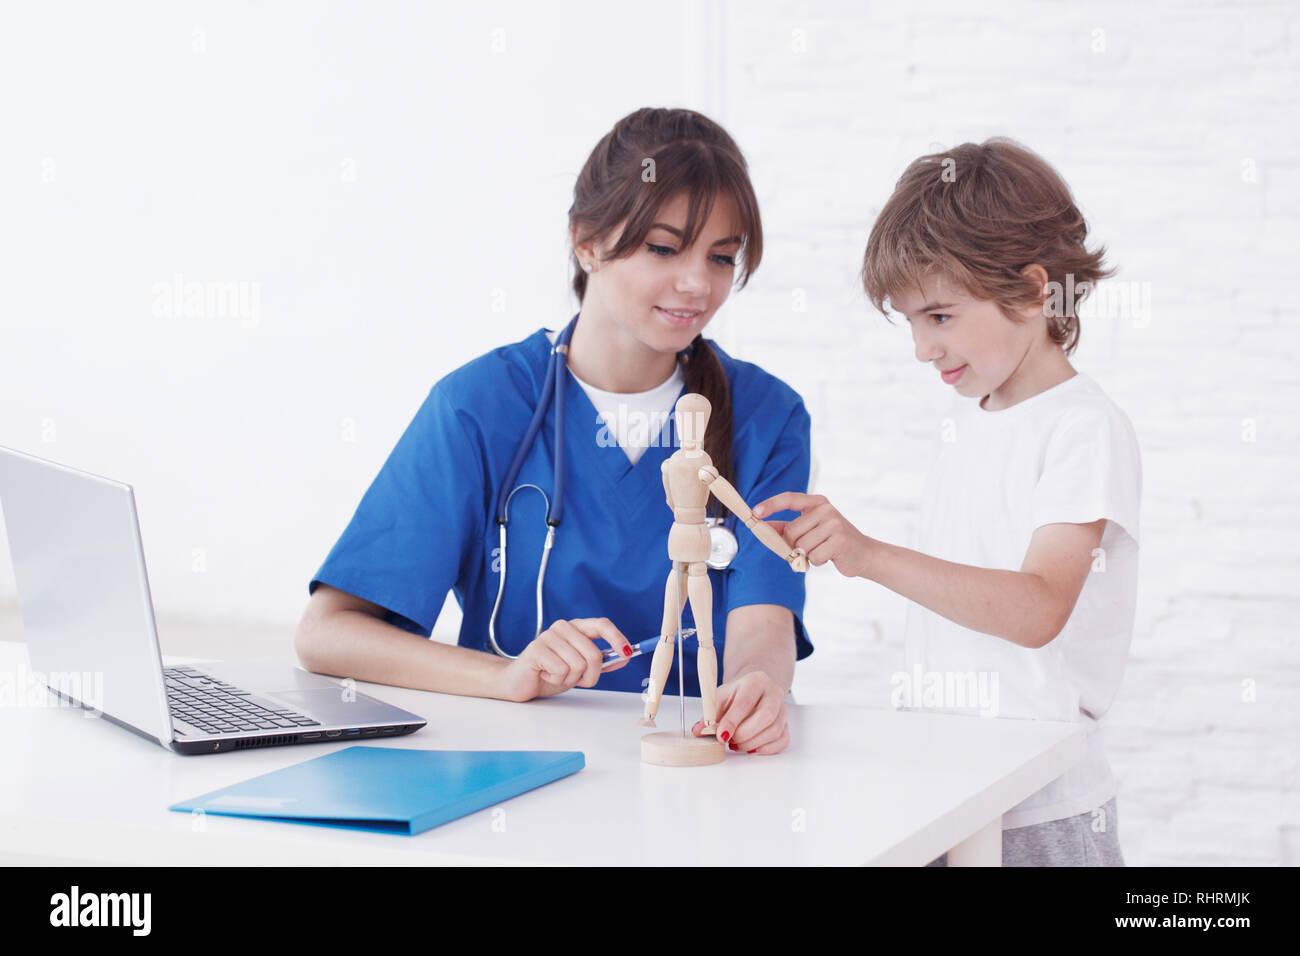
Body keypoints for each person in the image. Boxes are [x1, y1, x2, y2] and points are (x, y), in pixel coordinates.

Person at [296, 107, 814, 756]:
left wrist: (756, 685)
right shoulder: (479, 406)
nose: (697, 283)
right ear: (586, 242)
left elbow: (763, 623)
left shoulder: (767, 415)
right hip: (514, 769)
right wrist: (505, 677)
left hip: (702, 767)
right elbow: (327, 633)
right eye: (663, 247)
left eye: (721, 257)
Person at [752, 138, 1140, 862]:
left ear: (1031, 291)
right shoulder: (973, 421)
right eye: (909, 323)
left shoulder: (1083, 428)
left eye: (939, 316)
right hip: (952, 789)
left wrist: (868, 555)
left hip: (1038, 810)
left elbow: (1036, 610)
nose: (923, 349)